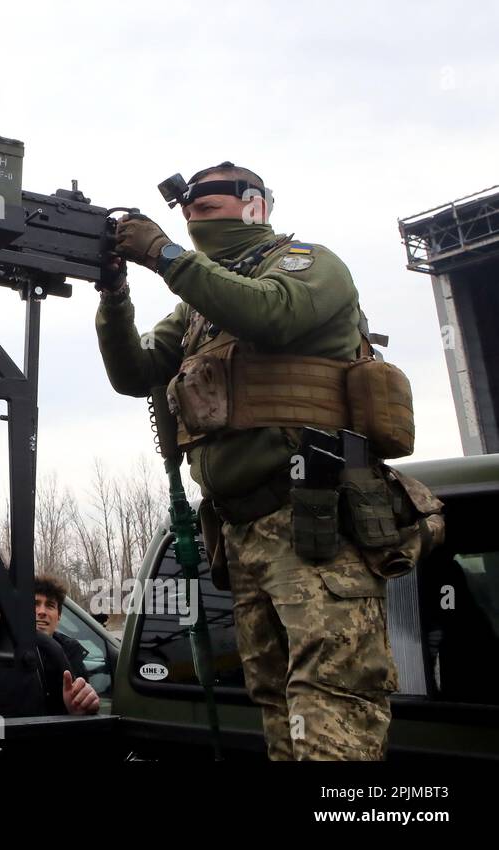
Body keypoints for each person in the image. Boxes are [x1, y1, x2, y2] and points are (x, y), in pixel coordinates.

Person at [96, 162, 397, 760]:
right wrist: (115, 294)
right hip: (241, 530)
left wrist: (163, 254)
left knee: (331, 698)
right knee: (276, 702)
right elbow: (134, 373)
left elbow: (271, 313)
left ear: (254, 207)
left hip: (312, 518)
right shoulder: (196, 310)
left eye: (207, 212)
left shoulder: (307, 263)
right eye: (187, 217)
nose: (194, 224)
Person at [33, 575, 102, 715]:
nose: (41, 612)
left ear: (58, 616)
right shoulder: (5, 653)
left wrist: (83, 704)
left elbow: (81, 708)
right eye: (35, 603)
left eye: (50, 605)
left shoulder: (72, 652)